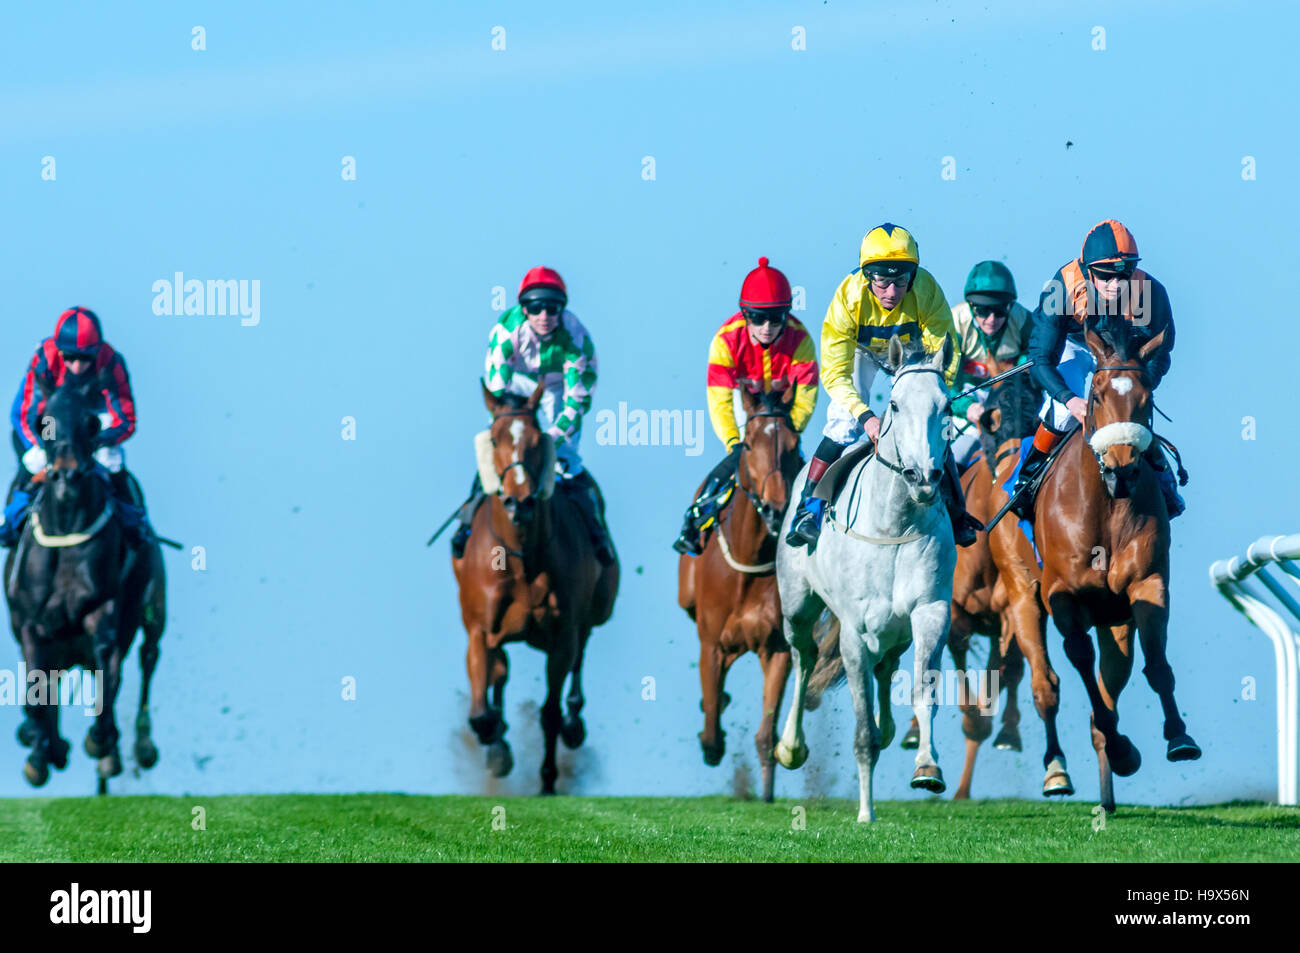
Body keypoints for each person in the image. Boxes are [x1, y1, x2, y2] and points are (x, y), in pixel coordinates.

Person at [785, 223, 982, 548]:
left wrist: (935, 397)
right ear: (867, 276)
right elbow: (835, 373)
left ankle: (956, 513)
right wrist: (867, 417)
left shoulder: (928, 291)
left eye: (901, 281)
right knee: (843, 425)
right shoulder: (847, 298)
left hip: (911, 355)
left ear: (913, 278)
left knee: (931, 420)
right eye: (882, 281)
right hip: (860, 354)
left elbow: (947, 353)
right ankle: (810, 509)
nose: (891, 292)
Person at [1008, 220, 1183, 519]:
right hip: (1075, 346)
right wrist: (1068, 398)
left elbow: (1162, 351)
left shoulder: (1151, 292)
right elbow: (1040, 358)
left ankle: (1165, 484)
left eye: (1124, 274)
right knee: (1063, 414)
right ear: (1088, 269)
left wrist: (1143, 385)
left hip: (1123, 357)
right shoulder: (1061, 286)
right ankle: (1028, 478)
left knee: (1129, 408)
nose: (1116, 285)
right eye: (1105, 276)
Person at [451, 266, 614, 563]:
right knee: (503, 450)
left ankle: (595, 530)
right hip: (516, 385)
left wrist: (548, 438)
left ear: (561, 309)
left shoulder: (575, 338)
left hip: (559, 388)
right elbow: (497, 391)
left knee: (567, 460)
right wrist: (509, 433)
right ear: (523, 309)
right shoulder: (505, 331)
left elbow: (576, 401)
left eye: (552, 308)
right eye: (535, 307)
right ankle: (466, 519)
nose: (544, 316)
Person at [672, 257, 818, 555]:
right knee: (739, 459)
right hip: (744, 408)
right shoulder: (725, 340)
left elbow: (808, 392)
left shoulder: (800, 338)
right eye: (758, 318)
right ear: (745, 314)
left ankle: (812, 516)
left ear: (786, 315)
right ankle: (696, 516)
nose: (767, 328)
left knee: (792, 461)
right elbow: (719, 400)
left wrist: (794, 431)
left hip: (782, 411)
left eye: (776, 319)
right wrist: (733, 441)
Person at [1, 306, 150, 548]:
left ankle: (133, 519)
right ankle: (10, 520)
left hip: (90, 423)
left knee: (112, 461)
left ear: (97, 352)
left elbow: (126, 420)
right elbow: (34, 414)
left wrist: (96, 442)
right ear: (59, 351)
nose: (77, 366)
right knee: (36, 462)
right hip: (47, 421)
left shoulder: (111, 362)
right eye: (69, 357)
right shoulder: (45, 358)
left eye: (85, 358)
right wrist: (49, 446)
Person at [948, 260, 1033, 469]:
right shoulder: (955, 323)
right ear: (972, 306)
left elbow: (1034, 358)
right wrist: (967, 408)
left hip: (1008, 398)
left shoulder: (1023, 320)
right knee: (955, 457)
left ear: (1009, 306)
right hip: (965, 398)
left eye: (1000, 311)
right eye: (984, 311)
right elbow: (947, 381)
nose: (992, 319)